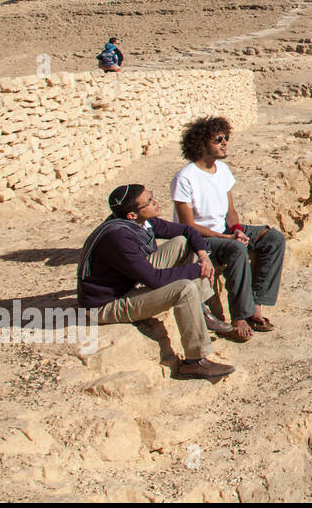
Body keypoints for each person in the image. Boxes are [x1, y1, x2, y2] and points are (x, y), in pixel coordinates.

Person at [77, 184, 234, 379]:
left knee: (181, 242)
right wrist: (197, 270)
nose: (156, 202)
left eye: (151, 196)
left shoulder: (143, 222)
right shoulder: (118, 237)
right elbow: (154, 278)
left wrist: (203, 256)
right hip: (106, 305)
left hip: (130, 282)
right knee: (184, 289)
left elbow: (187, 231)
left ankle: (201, 311)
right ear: (132, 215)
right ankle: (195, 361)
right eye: (149, 202)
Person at [172, 116, 285, 342]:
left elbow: (230, 210)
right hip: (198, 237)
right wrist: (226, 236)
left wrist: (236, 229)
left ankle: (256, 304)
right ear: (201, 144)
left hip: (223, 229)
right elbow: (188, 226)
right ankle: (239, 317)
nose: (225, 143)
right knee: (235, 249)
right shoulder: (185, 178)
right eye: (218, 139)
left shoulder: (222, 170)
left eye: (226, 138)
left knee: (273, 238)